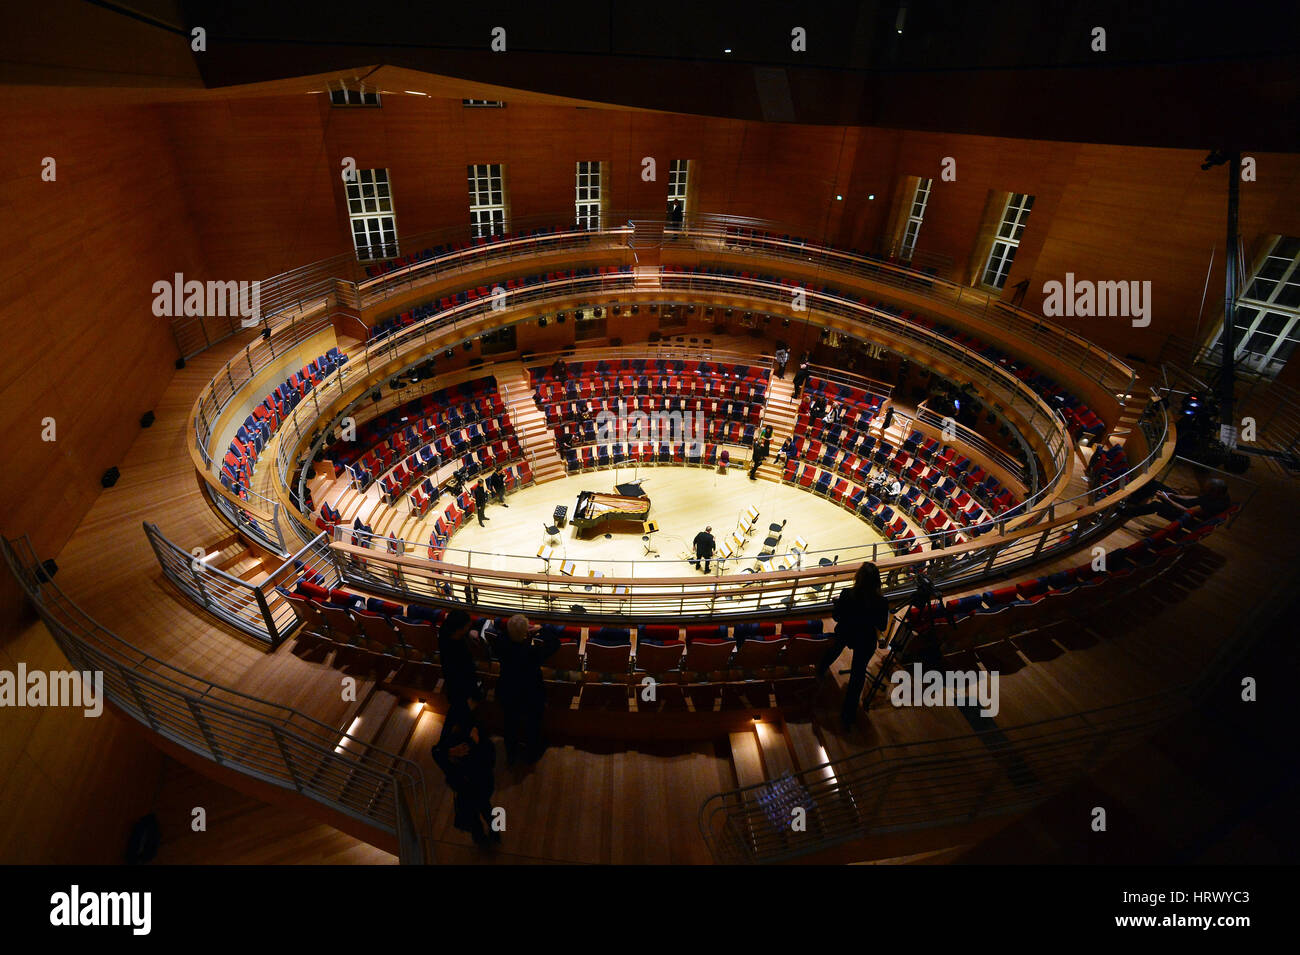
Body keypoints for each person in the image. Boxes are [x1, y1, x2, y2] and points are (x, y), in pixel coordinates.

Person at [816, 563, 891, 731]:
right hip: (865, 639)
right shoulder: (882, 602)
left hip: (846, 632)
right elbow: (882, 626)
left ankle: (819, 672)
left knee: (833, 651)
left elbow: (836, 617)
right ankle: (848, 715)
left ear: (858, 578)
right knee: (858, 675)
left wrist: (839, 604)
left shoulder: (847, 594)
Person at [490, 615, 560, 764]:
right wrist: (542, 629)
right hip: (530, 695)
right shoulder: (532, 652)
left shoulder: (500, 643)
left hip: (507, 692)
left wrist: (518, 632)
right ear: (525, 633)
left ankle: (511, 754)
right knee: (533, 725)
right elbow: (555, 643)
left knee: (510, 724)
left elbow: (503, 634)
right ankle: (532, 754)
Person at [431, 716, 499, 848]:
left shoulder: (482, 746)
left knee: (480, 813)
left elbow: (488, 764)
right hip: (472, 788)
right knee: (484, 812)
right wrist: (450, 751)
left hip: (473, 788)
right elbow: (436, 752)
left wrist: (451, 752)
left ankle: (485, 837)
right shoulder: (478, 746)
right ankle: (489, 835)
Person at [1121, 477, 1230, 524]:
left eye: (1207, 490)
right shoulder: (1218, 494)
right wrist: (1175, 496)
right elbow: (1196, 498)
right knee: (1156, 485)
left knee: (1155, 505)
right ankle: (1134, 500)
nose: (1204, 492)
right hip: (1181, 504)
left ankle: (1124, 512)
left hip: (1184, 516)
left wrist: (1167, 499)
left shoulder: (1214, 504)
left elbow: (1188, 511)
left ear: (1214, 492)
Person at [438, 608, 483, 722]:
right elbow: (468, 673)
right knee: (466, 714)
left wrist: (469, 632)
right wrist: (476, 695)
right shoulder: (459, 654)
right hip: (461, 687)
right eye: (467, 627)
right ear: (459, 630)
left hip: (454, 685)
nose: (469, 627)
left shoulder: (444, 631)